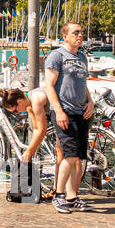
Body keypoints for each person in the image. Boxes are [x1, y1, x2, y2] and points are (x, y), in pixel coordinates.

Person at [44, 22, 94, 213]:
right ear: (64, 36)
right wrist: (59, 111)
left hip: (81, 112)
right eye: (75, 33)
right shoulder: (57, 56)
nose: (80, 36)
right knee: (69, 155)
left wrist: (91, 102)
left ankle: (72, 197)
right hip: (64, 111)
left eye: (81, 32)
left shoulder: (82, 57)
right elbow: (49, 85)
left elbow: (83, 83)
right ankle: (58, 194)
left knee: (78, 158)